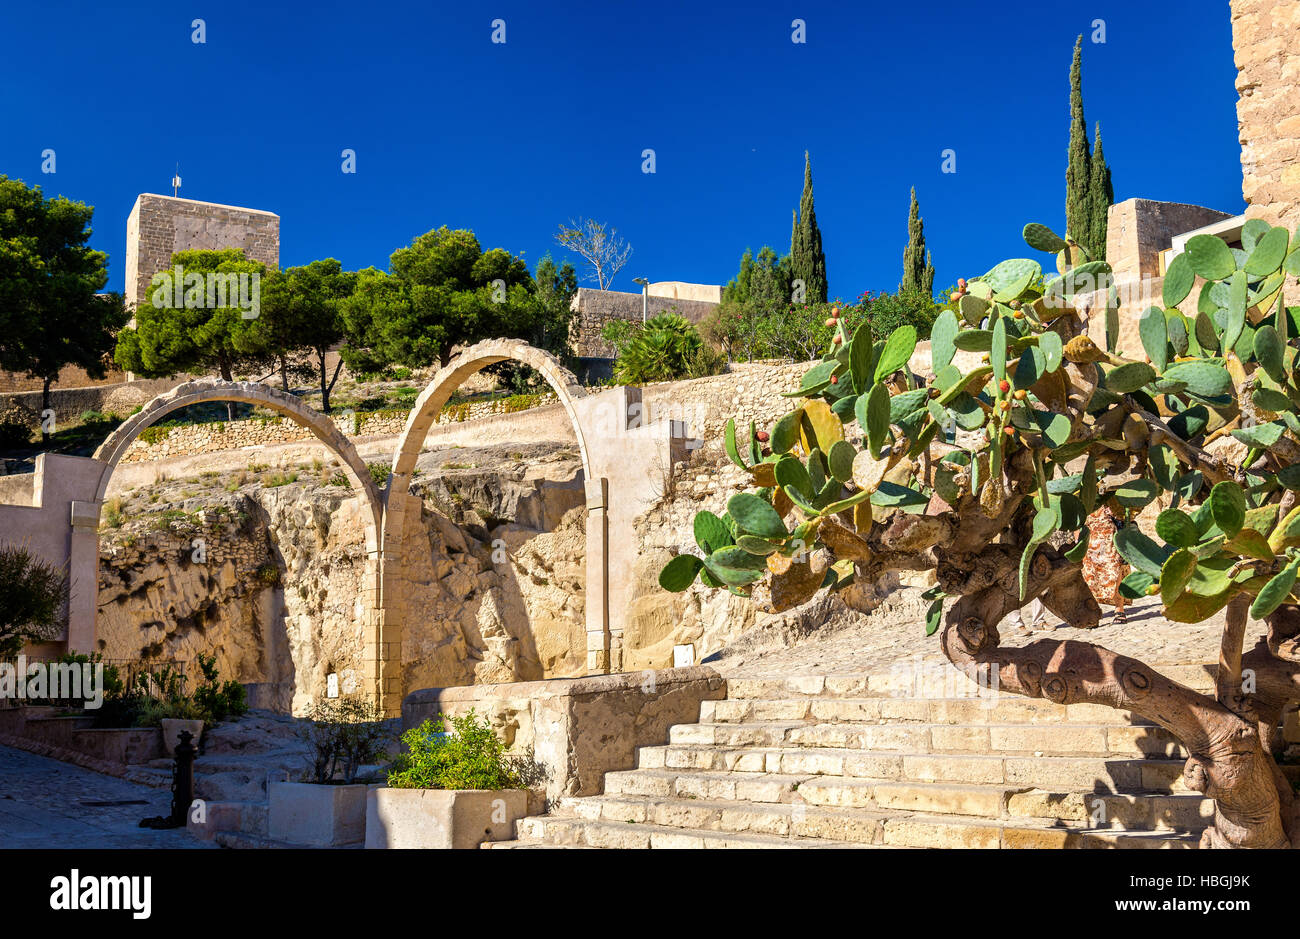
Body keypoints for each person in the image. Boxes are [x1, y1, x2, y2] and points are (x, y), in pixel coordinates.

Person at [1082, 505, 1130, 624]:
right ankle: (1092, 613)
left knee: (1114, 572)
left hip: (1110, 540)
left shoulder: (1110, 496)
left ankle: (1119, 609)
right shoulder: (1084, 495)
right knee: (1090, 577)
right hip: (1090, 541)